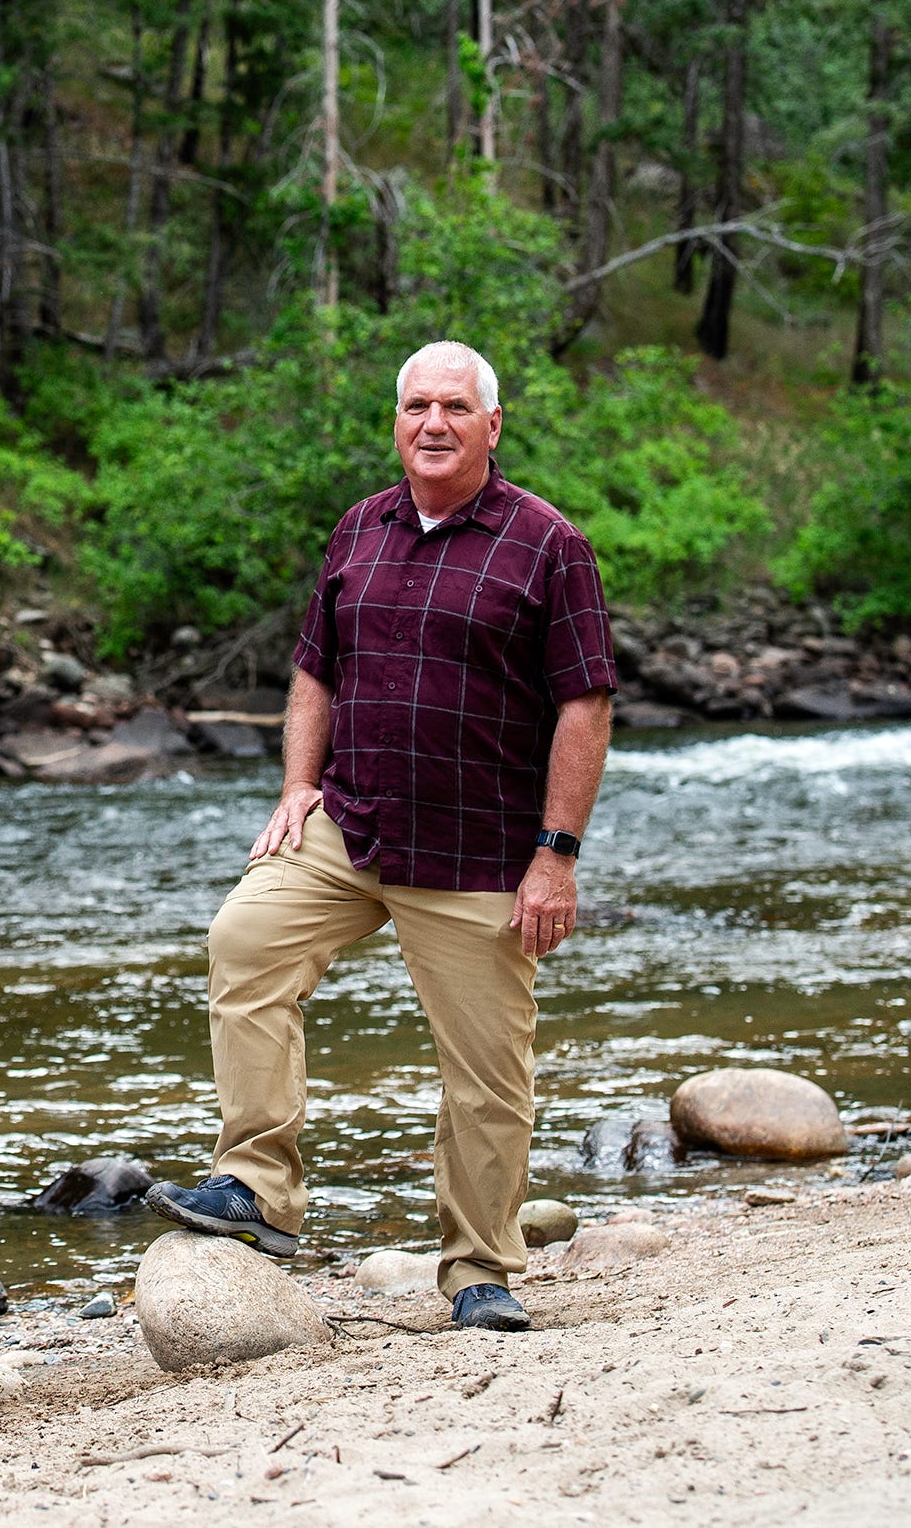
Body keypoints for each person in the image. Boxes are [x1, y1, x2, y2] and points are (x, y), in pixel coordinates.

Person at [144, 340, 615, 1333]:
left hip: (478, 853)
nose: (433, 423)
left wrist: (555, 855)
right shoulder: (361, 526)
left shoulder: (549, 543)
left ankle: (479, 1269)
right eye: (416, 406)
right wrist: (296, 785)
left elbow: (585, 705)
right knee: (244, 940)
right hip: (351, 826)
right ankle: (257, 1186)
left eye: (455, 406)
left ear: (493, 424)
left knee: (487, 1075)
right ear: (397, 422)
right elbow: (315, 669)